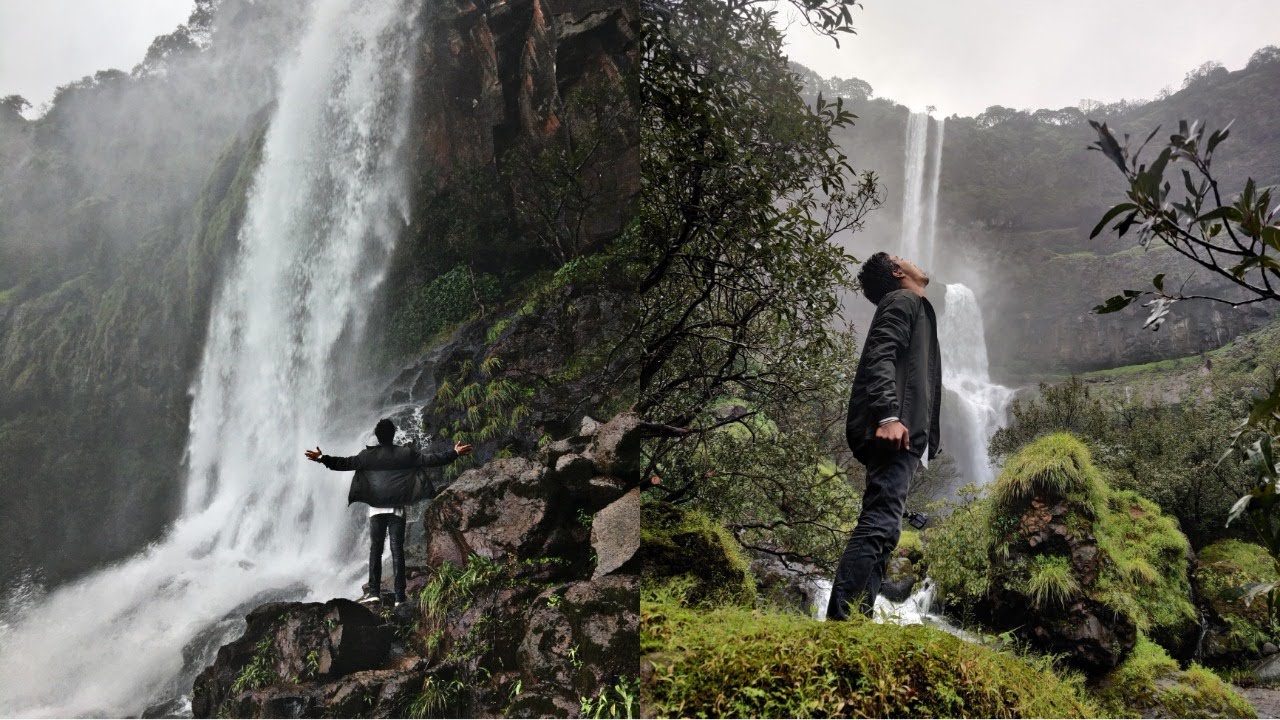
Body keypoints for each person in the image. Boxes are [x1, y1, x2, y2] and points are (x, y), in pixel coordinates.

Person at [826, 252, 942, 621]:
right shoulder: (903, 299)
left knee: (887, 527)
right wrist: (889, 415)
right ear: (896, 271)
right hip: (892, 429)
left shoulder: (913, 306)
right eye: (903, 258)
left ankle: (857, 617)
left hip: (903, 432)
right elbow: (881, 354)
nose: (914, 260)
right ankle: (841, 620)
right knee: (879, 521)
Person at [305, 418, 472, 606]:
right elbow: (431, 460)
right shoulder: (405, 454)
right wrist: (454, 453)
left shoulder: (366, 456)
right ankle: (400, 597)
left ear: (377, 437)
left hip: (376, 510)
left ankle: (374, 592)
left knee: (375, 550)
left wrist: (321, 458)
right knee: (397, 551)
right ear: (393, 435)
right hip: (397, 511)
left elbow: (344, 463)